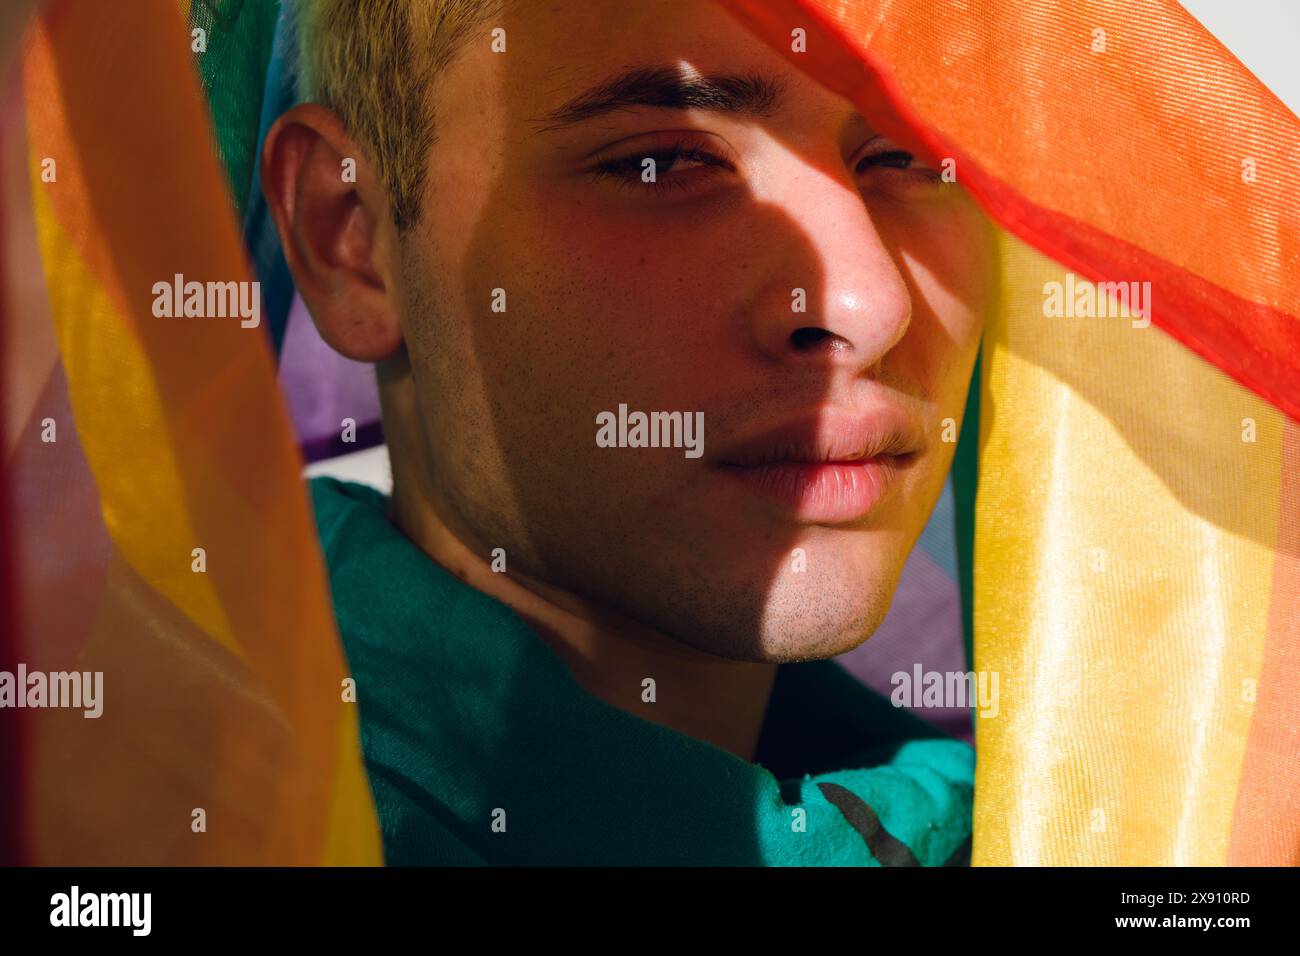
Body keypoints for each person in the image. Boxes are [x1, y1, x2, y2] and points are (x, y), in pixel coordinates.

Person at [260, 0, 992, 865]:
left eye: (911, 156)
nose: (870, 307)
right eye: (664, 162)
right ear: (349, 237)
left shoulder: (1081, 816)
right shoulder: (154, 815)